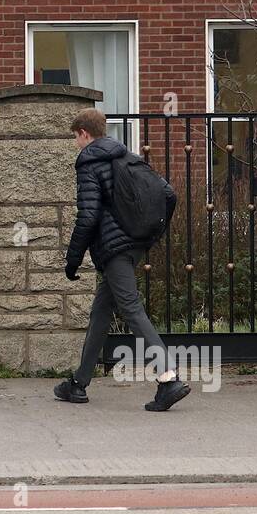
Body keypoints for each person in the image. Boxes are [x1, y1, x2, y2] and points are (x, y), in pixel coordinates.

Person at [56, 108, 190, 411]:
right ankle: (78, 383)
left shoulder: (89, 162)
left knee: (131, 309)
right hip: (132, 245)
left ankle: (169, 378)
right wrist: (149, 236)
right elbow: (168, 195)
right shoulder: (126, 156)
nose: (76, 143)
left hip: (114, 250)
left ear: (83, 133)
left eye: (75, 137)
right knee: (101, 313)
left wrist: (72, 259)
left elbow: (88, 216)